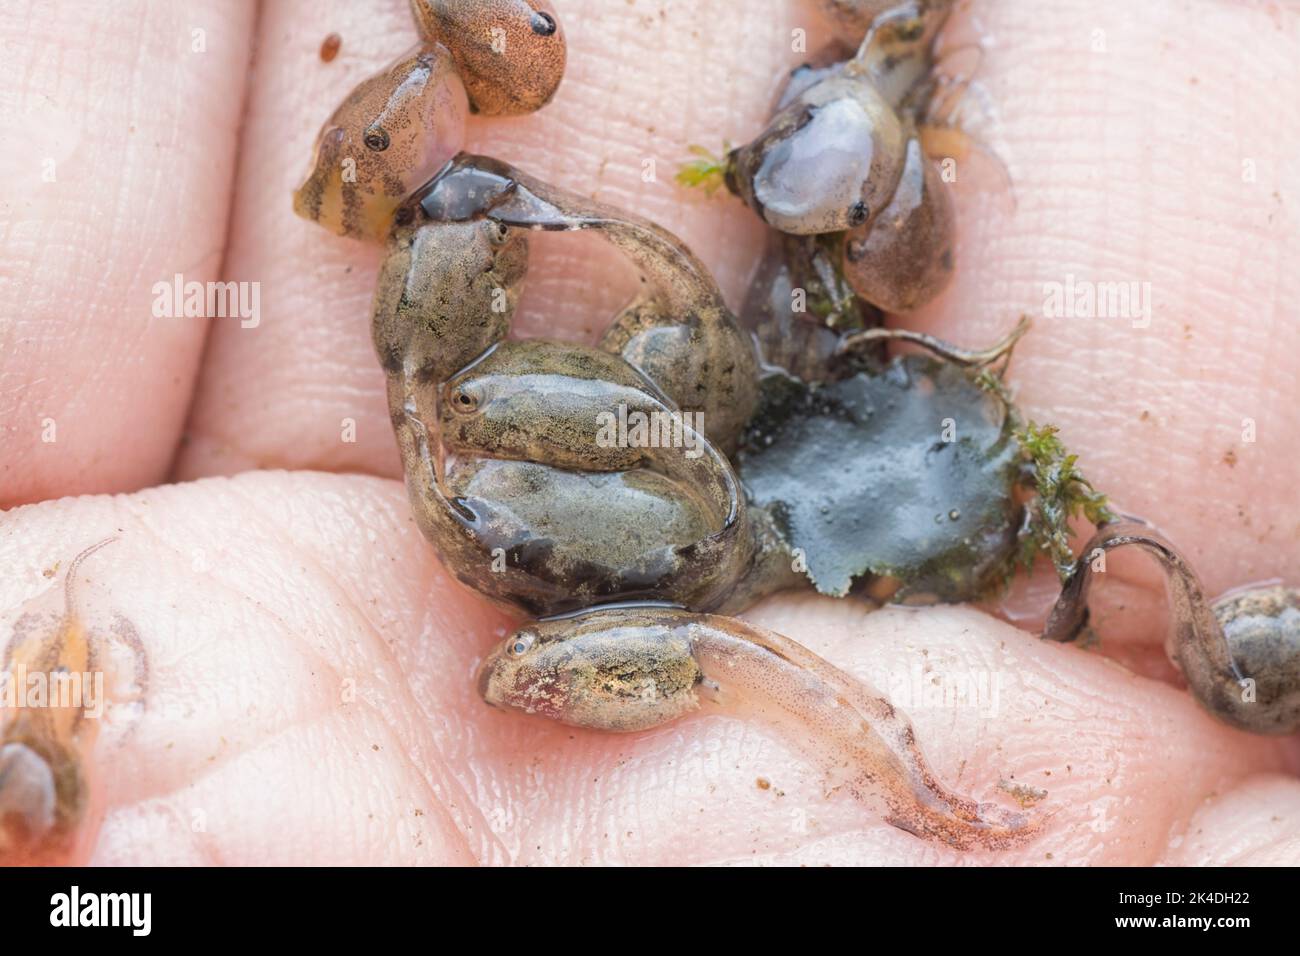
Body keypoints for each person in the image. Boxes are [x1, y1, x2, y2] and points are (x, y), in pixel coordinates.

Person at [1, 0, 1296, 865]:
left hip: (627, 547)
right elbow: (651, 384)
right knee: (672, 547)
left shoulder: (480, 411)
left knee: (649, 469)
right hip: (596, 584)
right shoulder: (492, 417)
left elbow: (651, 377)